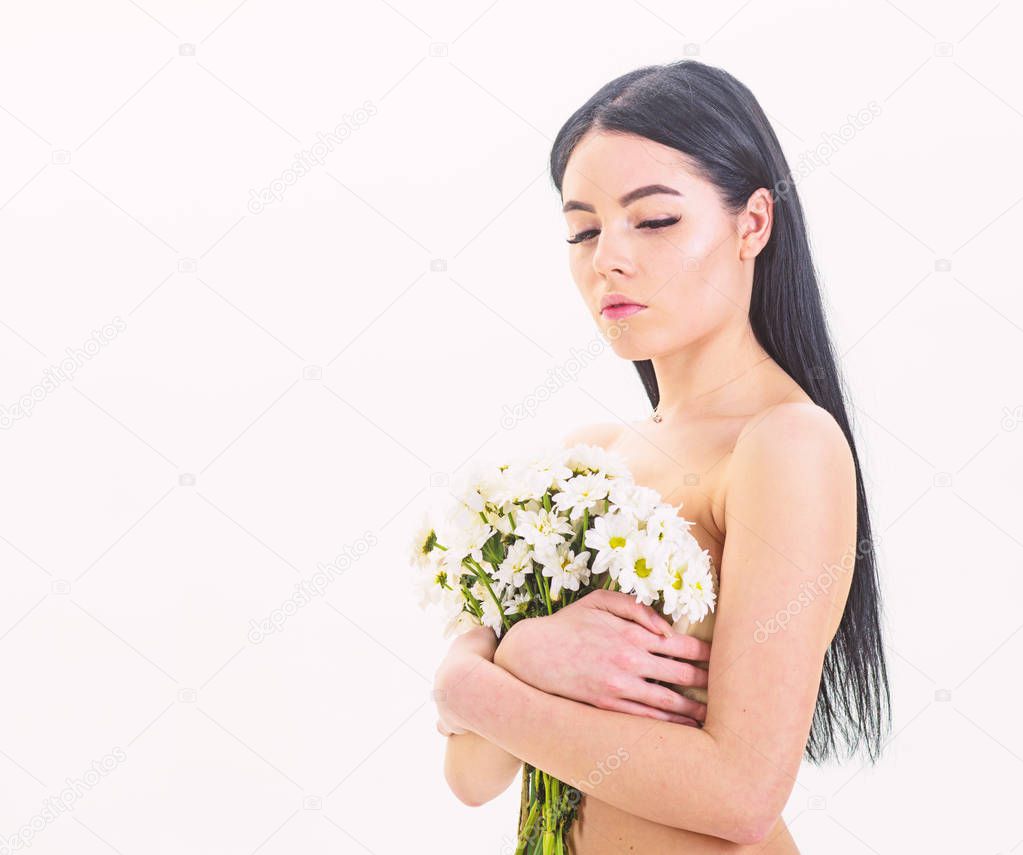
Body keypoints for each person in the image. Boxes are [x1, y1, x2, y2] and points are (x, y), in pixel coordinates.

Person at [432, 59, 891, 852]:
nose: (607, 257)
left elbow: (741, 795)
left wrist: (469, 679)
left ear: (751, 224)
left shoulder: (783, 443)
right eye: (583, 230)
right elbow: (472, 777)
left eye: (652, 220)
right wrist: (521, 654)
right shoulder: (589, 459)